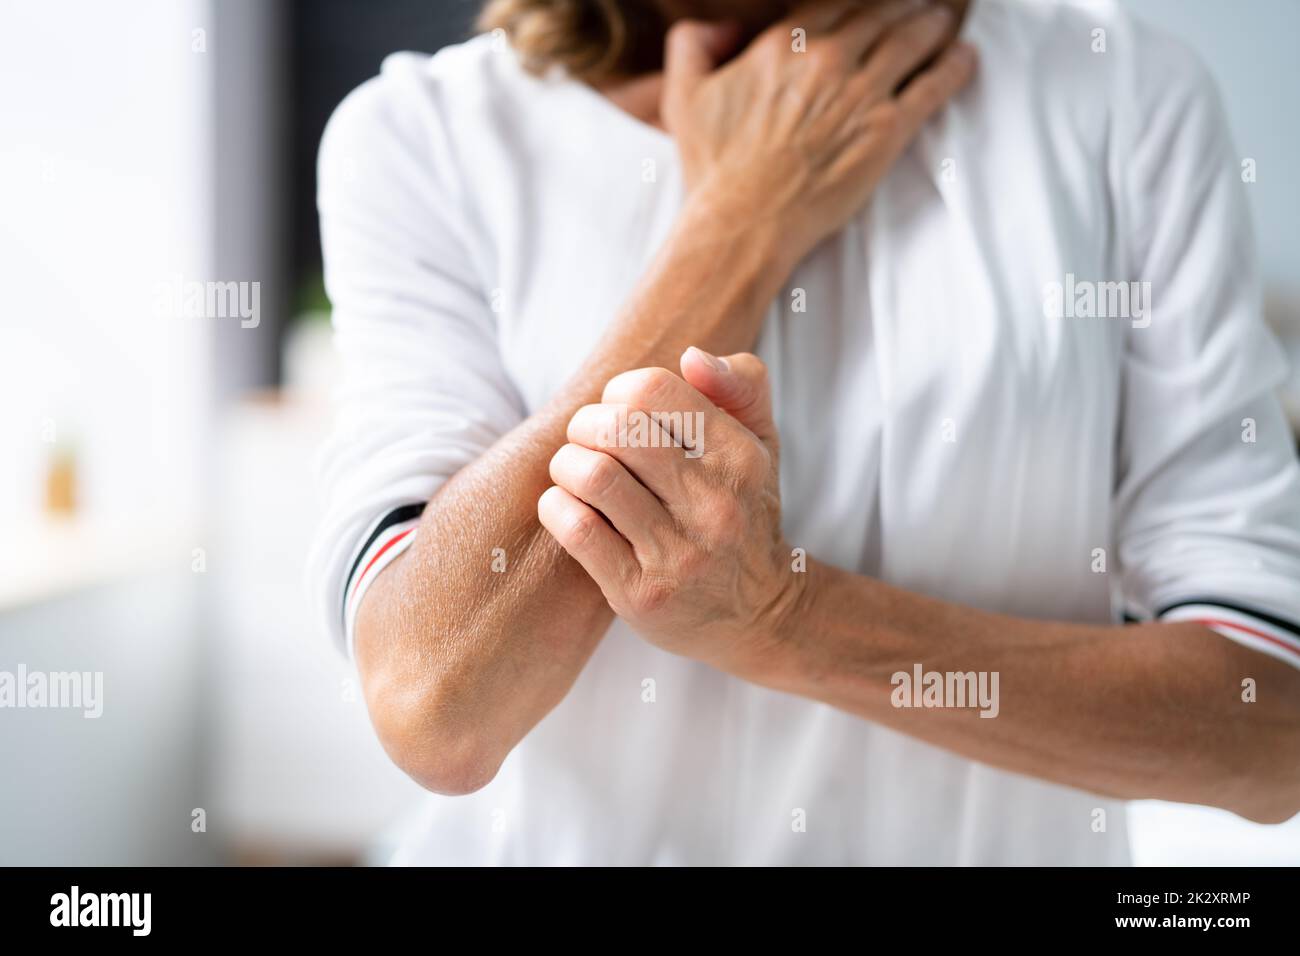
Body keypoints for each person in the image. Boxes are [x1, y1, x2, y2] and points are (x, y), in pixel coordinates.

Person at [308, 0, 1300, 864]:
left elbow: (1270, 727)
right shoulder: (421, 137)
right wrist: (741, 221)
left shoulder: (1122, 94)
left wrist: (787, 619)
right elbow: (437, 707)